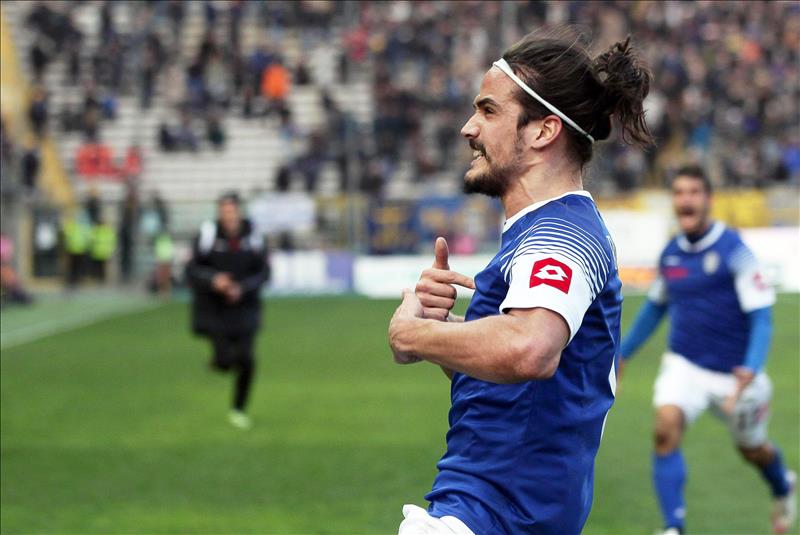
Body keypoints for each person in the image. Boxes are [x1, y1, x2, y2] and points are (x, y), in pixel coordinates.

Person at [388, 33, 652, 535]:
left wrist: (412, 336)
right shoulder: (540, 232)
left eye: (488, 111)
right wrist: (447, 335)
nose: (469, 128)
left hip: (493, 515)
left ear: (543, 131)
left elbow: (530, 350)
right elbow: (522, 388)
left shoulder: (560, 235)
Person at [619, 165, 797, 535]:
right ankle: (673, 528)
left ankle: (783, 486)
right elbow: (655, 307)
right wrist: (623, 353)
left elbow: (762, 317)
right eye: (679, 193)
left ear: (708, 200)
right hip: (685, 365)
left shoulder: (734, 251)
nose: (686, 200)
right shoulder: (671, 255)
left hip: (736, 376)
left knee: (753, 450)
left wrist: (751, 367)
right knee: (665, 428)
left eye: (693, 192)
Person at [186, 193, 270, 429]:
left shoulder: (252, 236)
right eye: (224, 212)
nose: (229, 217)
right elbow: (192, 269)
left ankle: (238, 409)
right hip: (215, 309)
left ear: (238, 212)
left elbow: (264, 272)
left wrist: (241, 288)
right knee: (225, 361)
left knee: (247, 360)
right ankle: (218, 362)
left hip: (245, 308)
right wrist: (214, 280)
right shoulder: (208, 235)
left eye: (232, 212)